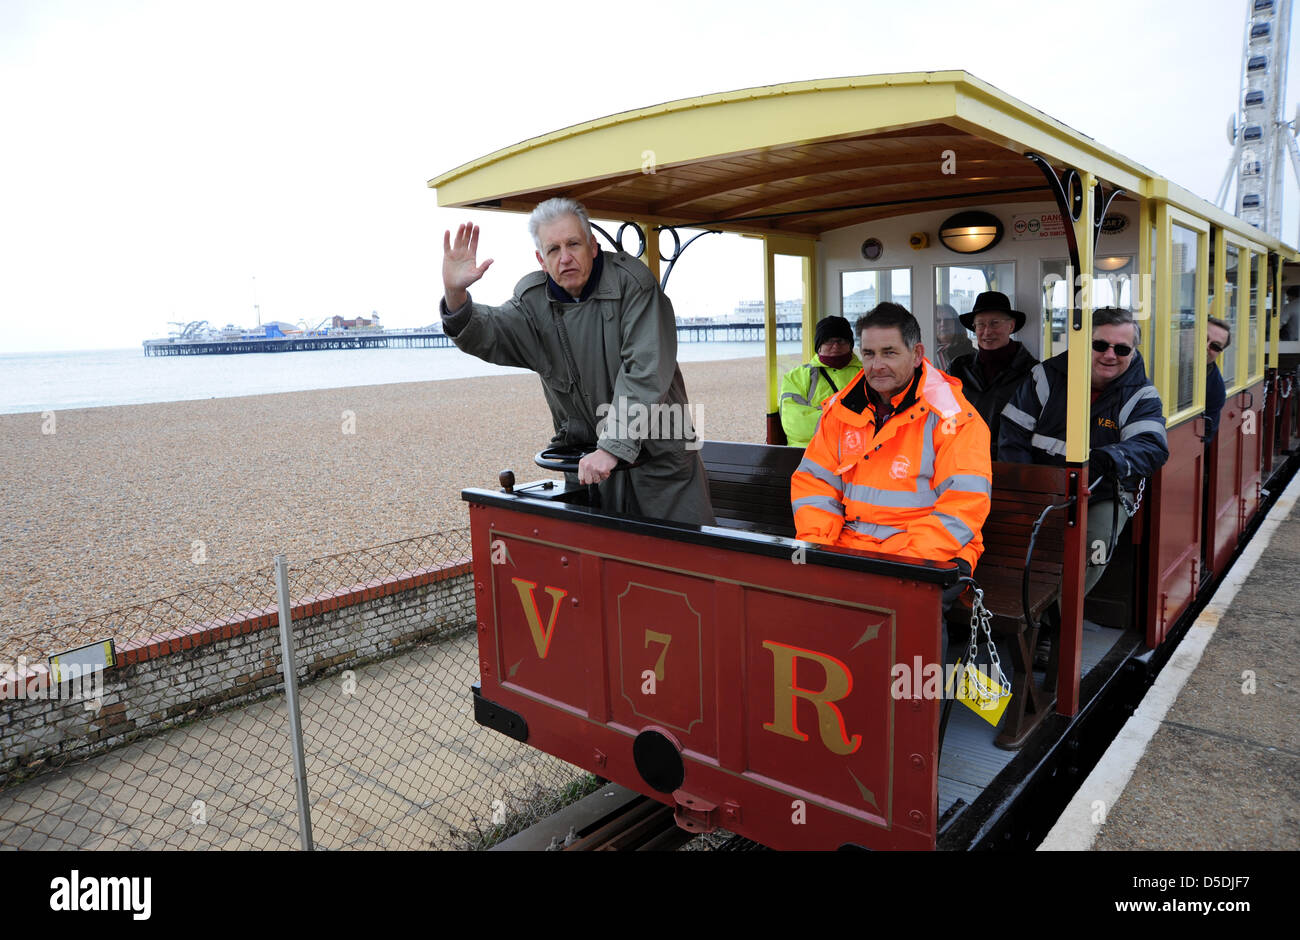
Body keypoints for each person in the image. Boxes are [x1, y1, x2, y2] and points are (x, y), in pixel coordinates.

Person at [439, 197, 714, 525]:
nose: (565, 257)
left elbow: (645, 372)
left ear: (593, 247)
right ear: (541, 259)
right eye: (553, 249)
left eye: (573, 244)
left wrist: (612, 448)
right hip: (587, 465)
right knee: (599, 567)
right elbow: (489, 333)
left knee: (681, 565)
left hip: (658, 466)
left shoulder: (634, 286)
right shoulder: (532, 303)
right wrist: (455, 294)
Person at [791, 303, 992, 617]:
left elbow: (964, 504)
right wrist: (818, 548)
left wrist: (909, 564)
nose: (877, 365)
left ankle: (920, 668)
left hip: (931, 554)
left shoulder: (954, 417)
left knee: (910, 615)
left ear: (916, 354)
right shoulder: (840, 412)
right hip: (852, 546)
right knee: (806, 605)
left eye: (889, 352)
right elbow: (814, 484)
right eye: (869, 354)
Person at [999, 307, 1169, 594]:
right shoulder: (1046, 376)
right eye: (1100, 345)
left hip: (1103, 495)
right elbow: (1012, 435)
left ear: (1133, 351)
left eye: (1122, 349)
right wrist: (1026, 488)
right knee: (1007, 535)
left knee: (1095, 548)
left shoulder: (1141, 394)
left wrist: (1109, 458)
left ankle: (1059, 623)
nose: (1110, 355)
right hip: (1040, 486)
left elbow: (1151, 446)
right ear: (1082, 344)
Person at [947, 291, 1038, 459]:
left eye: (994, 323)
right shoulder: (957, 368)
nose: (987, 331)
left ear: (1011, 326)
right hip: (962, 462)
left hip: (1010, 467)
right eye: (980, 325)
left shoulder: (1033, 373)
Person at [778, 315, 863, 448]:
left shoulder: (866, 374)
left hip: (856, 454)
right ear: (818, 346)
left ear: (850, 345)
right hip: (809, 455)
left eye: (841, 340)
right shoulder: (795, 377)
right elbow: (795, 424)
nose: (835, 346)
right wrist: (847, 422)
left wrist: (825, 416)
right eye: (828, 341)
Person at [1204, 316, 1231, 441]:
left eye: (1215, 346)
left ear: (1220, 352)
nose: (1206, 346)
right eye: (1204, 338)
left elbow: (1206, 435)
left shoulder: (1216, 389)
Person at [933, 303, 975, 371]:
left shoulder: (972, 354)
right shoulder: (921, 353)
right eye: (937, 320)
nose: (943, 324)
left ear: (956, 324)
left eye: (948, 320)